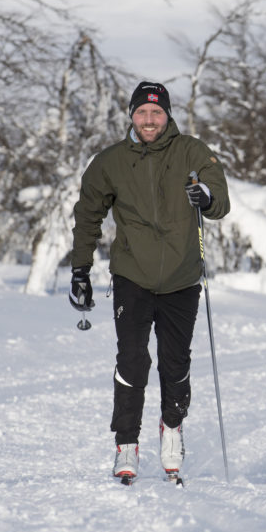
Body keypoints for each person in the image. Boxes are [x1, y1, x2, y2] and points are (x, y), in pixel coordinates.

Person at [68, 81, 229, 482]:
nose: (149, 120)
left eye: (157, 112)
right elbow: (88, 214)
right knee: (132, 359)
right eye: (142, 112)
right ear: (131, 115)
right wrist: (80, 269)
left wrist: (206, 197)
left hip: (181, 277)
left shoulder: (192, 152)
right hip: (132, 276)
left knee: (175, 362)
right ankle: (126, 444)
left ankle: (172, 428)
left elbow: (220, 200)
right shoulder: (111, 161)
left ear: (167, 115)